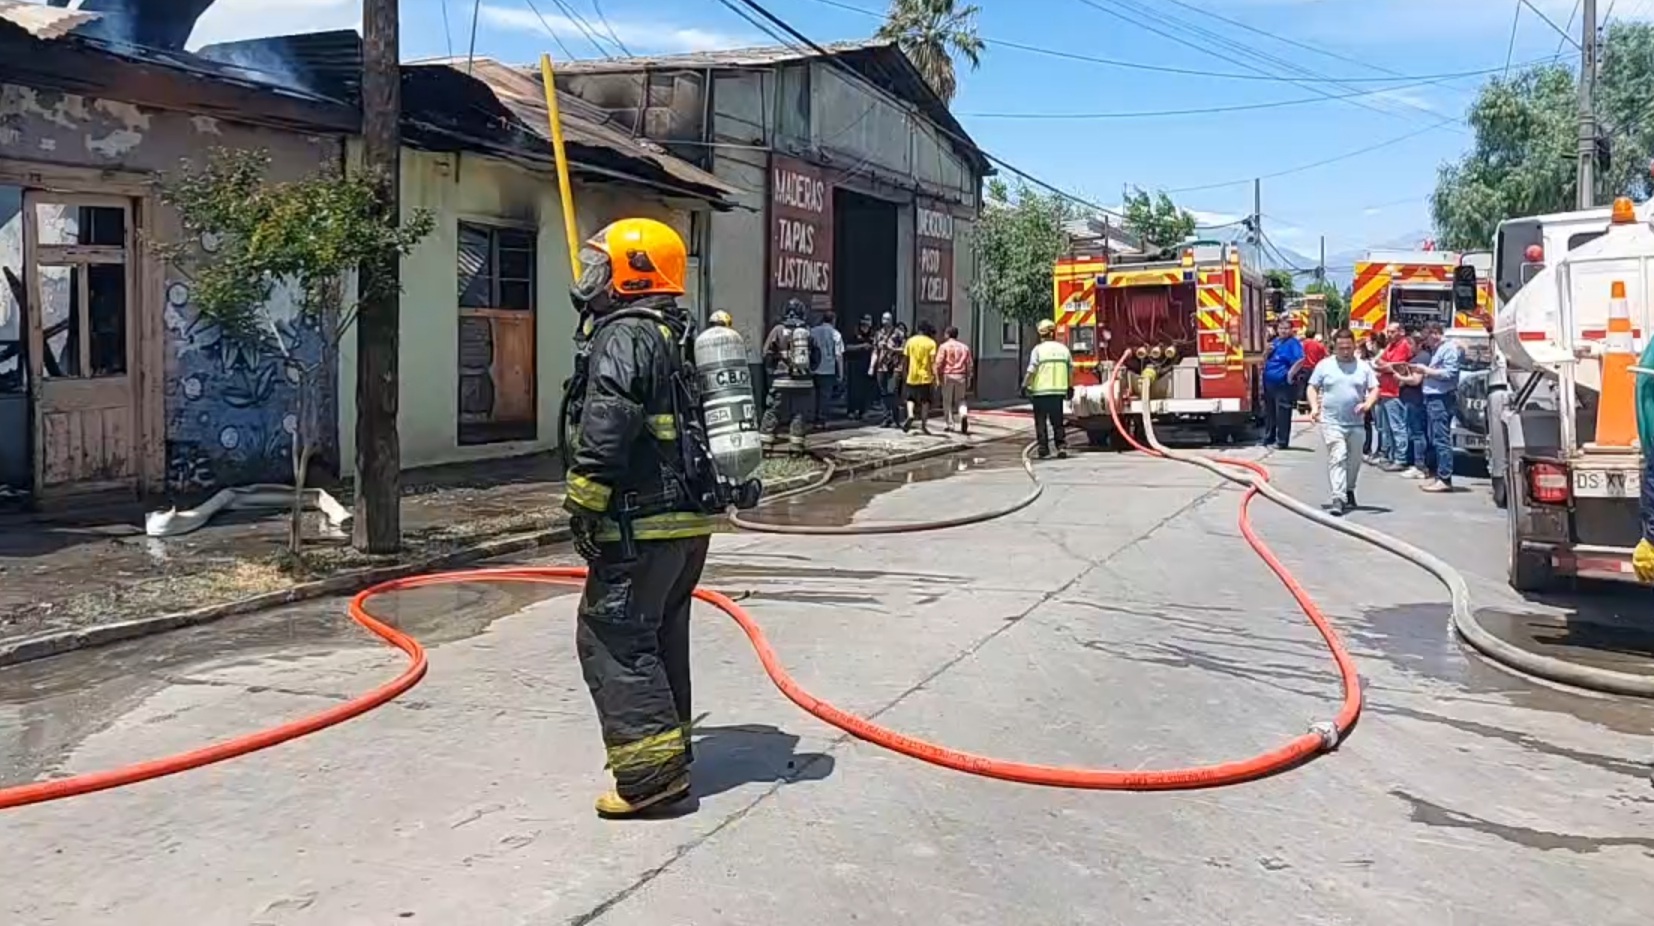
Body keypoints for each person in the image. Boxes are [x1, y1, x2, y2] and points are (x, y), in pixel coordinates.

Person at [560, 217, 718, 817]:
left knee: (612, 635)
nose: (590, 277)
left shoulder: (625, 334)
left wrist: (584, 497)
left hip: (639, 521)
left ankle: (650, 778)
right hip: (684, 526)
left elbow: (610, 418)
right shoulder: (675, 332)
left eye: (601, 266)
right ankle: (670, 752)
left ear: (634, 274)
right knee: (657, 633)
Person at [1308, 329, 1380, 516]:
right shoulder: (1325, 366)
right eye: (1341, 348)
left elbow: (1374, 389)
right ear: (1335, 347)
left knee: (1355, 461)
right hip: (1332, 422)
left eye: (1348, 347)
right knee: (1337, 456)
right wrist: (1315, 407)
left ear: (1354, 345)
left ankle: (1349, 489)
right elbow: (1312, 387)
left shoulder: (1363, 367)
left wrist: (1367, 404)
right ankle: (1338, 497)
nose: (1345, 351)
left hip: (1356, 423)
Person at [760, 298, 819, 453]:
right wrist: (808, 371)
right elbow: (817, 356)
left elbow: (766, 353)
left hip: (781, 381)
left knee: (774, 411)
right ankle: (796, 447)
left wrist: (772, 372)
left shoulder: (778, 330)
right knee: (799, 414)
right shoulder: (808, 332)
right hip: (804, 382)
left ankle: (766, 445)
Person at [1412, 321, 1463, 493]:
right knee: (1436, 437)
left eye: (1428, 337)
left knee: (1442, 439)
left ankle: (1444, 478)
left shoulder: (1448, 349)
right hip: (1434, 398)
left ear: (1435, 333)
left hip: (1441, 398)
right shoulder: (1438, 350)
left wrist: (1426, 371)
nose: (1427, 342)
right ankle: (1439, 475)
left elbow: (1450, 373)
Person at [1024, 318, 1073, 459]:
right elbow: (1070, 370)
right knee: (1057, 421)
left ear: (1041, 334)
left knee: (1041, 422)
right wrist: (1069, 386)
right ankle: (1061, 446)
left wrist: (1025, 384)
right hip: (1058, 392)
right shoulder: (1064, 349)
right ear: (1053, 333)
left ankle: (1043, 448)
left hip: (1040, 392)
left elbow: (1032, 370)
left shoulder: (1038, 350)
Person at [1373, 321, 1413, 472]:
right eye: (1388, 332)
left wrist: (1385, 366)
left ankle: (1400, 458)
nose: (1389, 335)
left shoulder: (1403, 345)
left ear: (1401, 332)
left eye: (1392, 332)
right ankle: (1390, 456)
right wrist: (1386, 365)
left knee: (1397, 426)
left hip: (1395, 391)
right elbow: (1378, 362)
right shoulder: (1390, 346)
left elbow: (1397, 366)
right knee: (1387, 427)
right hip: (1385, 390)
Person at [1260, 316, 1305, 450]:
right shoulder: (1275, 341)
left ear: (1291, 330)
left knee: (1282, 413)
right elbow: (1264, 358)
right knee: (1270, 412)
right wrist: (1266, 352)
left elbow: (1300, 360)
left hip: (1283, 383)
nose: (1283, 331)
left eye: (1286, 328)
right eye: (1281, 328)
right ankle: (1269, 438)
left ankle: (1282, 441)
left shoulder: (1293, 343)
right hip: (1269, 383)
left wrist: (1290, 374)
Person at [902, 320, 940, 435]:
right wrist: (936, 377)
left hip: (912, 376)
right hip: (925, 377)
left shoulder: (910, 341)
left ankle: (910, 414)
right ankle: (923, 425)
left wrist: (904, 372)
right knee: (925, 401)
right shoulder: (931, 343)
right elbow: (933, 362)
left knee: (910, 398)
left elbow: (905, 359)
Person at [935, 325, 973, 435]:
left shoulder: (943, 347)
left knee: (947, 401)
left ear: (947, 334)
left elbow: (938, 363)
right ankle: (963, 414)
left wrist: (937, 377)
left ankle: (950, 424)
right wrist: (969, 377)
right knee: (961, 399)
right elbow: (969, 364)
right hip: (961, 376)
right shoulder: (964, 347)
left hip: (948, 375)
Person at [809, 310, 842, 428]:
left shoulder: (813, 331)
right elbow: (838, 355)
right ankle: (821, 420)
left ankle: (812, 418)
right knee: (825, 397)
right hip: (828, 369)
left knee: (814, 395)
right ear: (833, 320)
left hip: (813, 368)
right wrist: (840, 373)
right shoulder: (835, 334)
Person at [872, 312, 906, 428]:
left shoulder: (898, 334)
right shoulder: (878, 334)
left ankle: (896, 418)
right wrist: (872, 366)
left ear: (892, 320)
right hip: (881, 367)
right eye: (883, 319)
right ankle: (886, 417)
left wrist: (892, 349)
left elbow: (905, 350)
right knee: (883, 393)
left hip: (894, 366)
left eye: (887, 319)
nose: (885, 321)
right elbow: (875, 351)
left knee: (892, 392)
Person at [844, 315, 877, 420]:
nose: (867, 323)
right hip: (854, 363)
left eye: (869, 321)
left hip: (867, 364)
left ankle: (863, 411)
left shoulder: (873, 334)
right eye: (865, 321)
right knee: (853, 389)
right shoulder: (854, 332)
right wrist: (861, 346)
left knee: (865, 389)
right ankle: (852, 410)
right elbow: (846, 347)